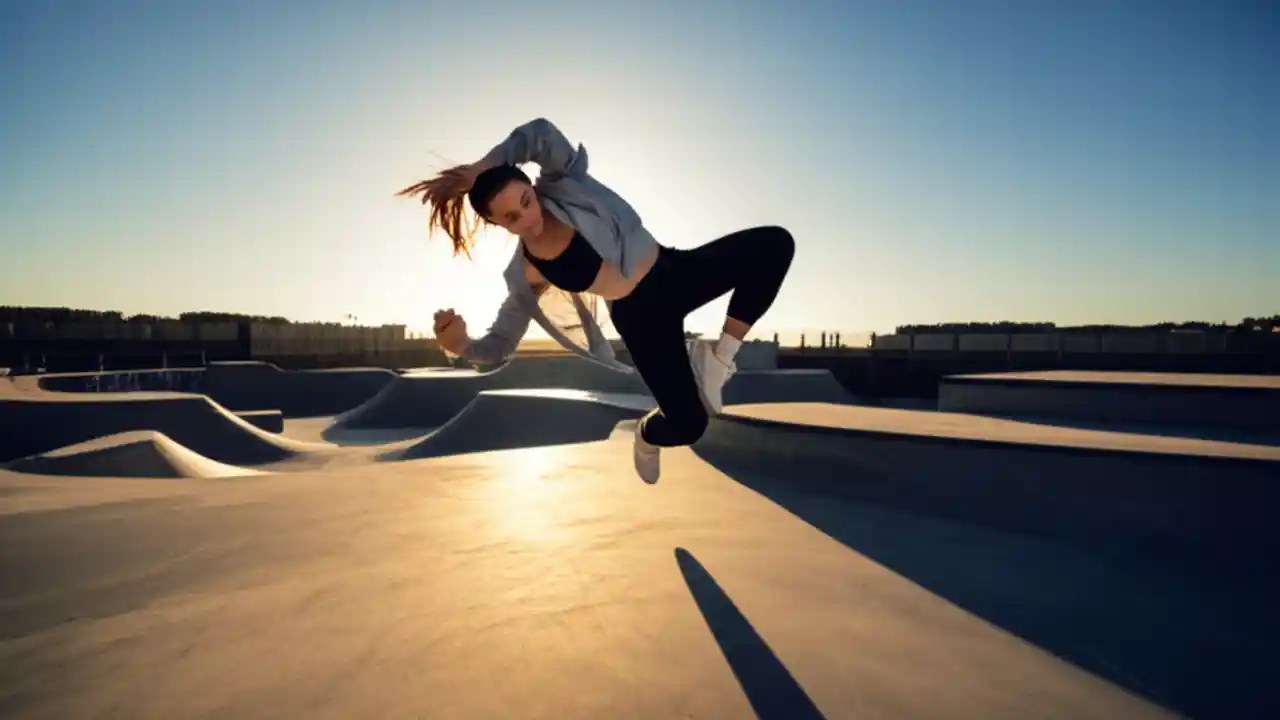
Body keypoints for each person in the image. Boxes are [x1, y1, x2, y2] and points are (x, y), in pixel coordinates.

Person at [397, 118, 794, 483]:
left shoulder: (567, 182)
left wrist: (485, 164)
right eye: (512, 218)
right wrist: (462, 346)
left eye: (525, 201)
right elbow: (501, 344)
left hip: (673, 272)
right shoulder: (526, 274)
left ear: (532, 189)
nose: (527, 217)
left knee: (774, 246)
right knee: (689, 426)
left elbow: (539, 134)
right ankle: (646, 433)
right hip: (642, 321)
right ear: (497, 224)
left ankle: (719, 360)